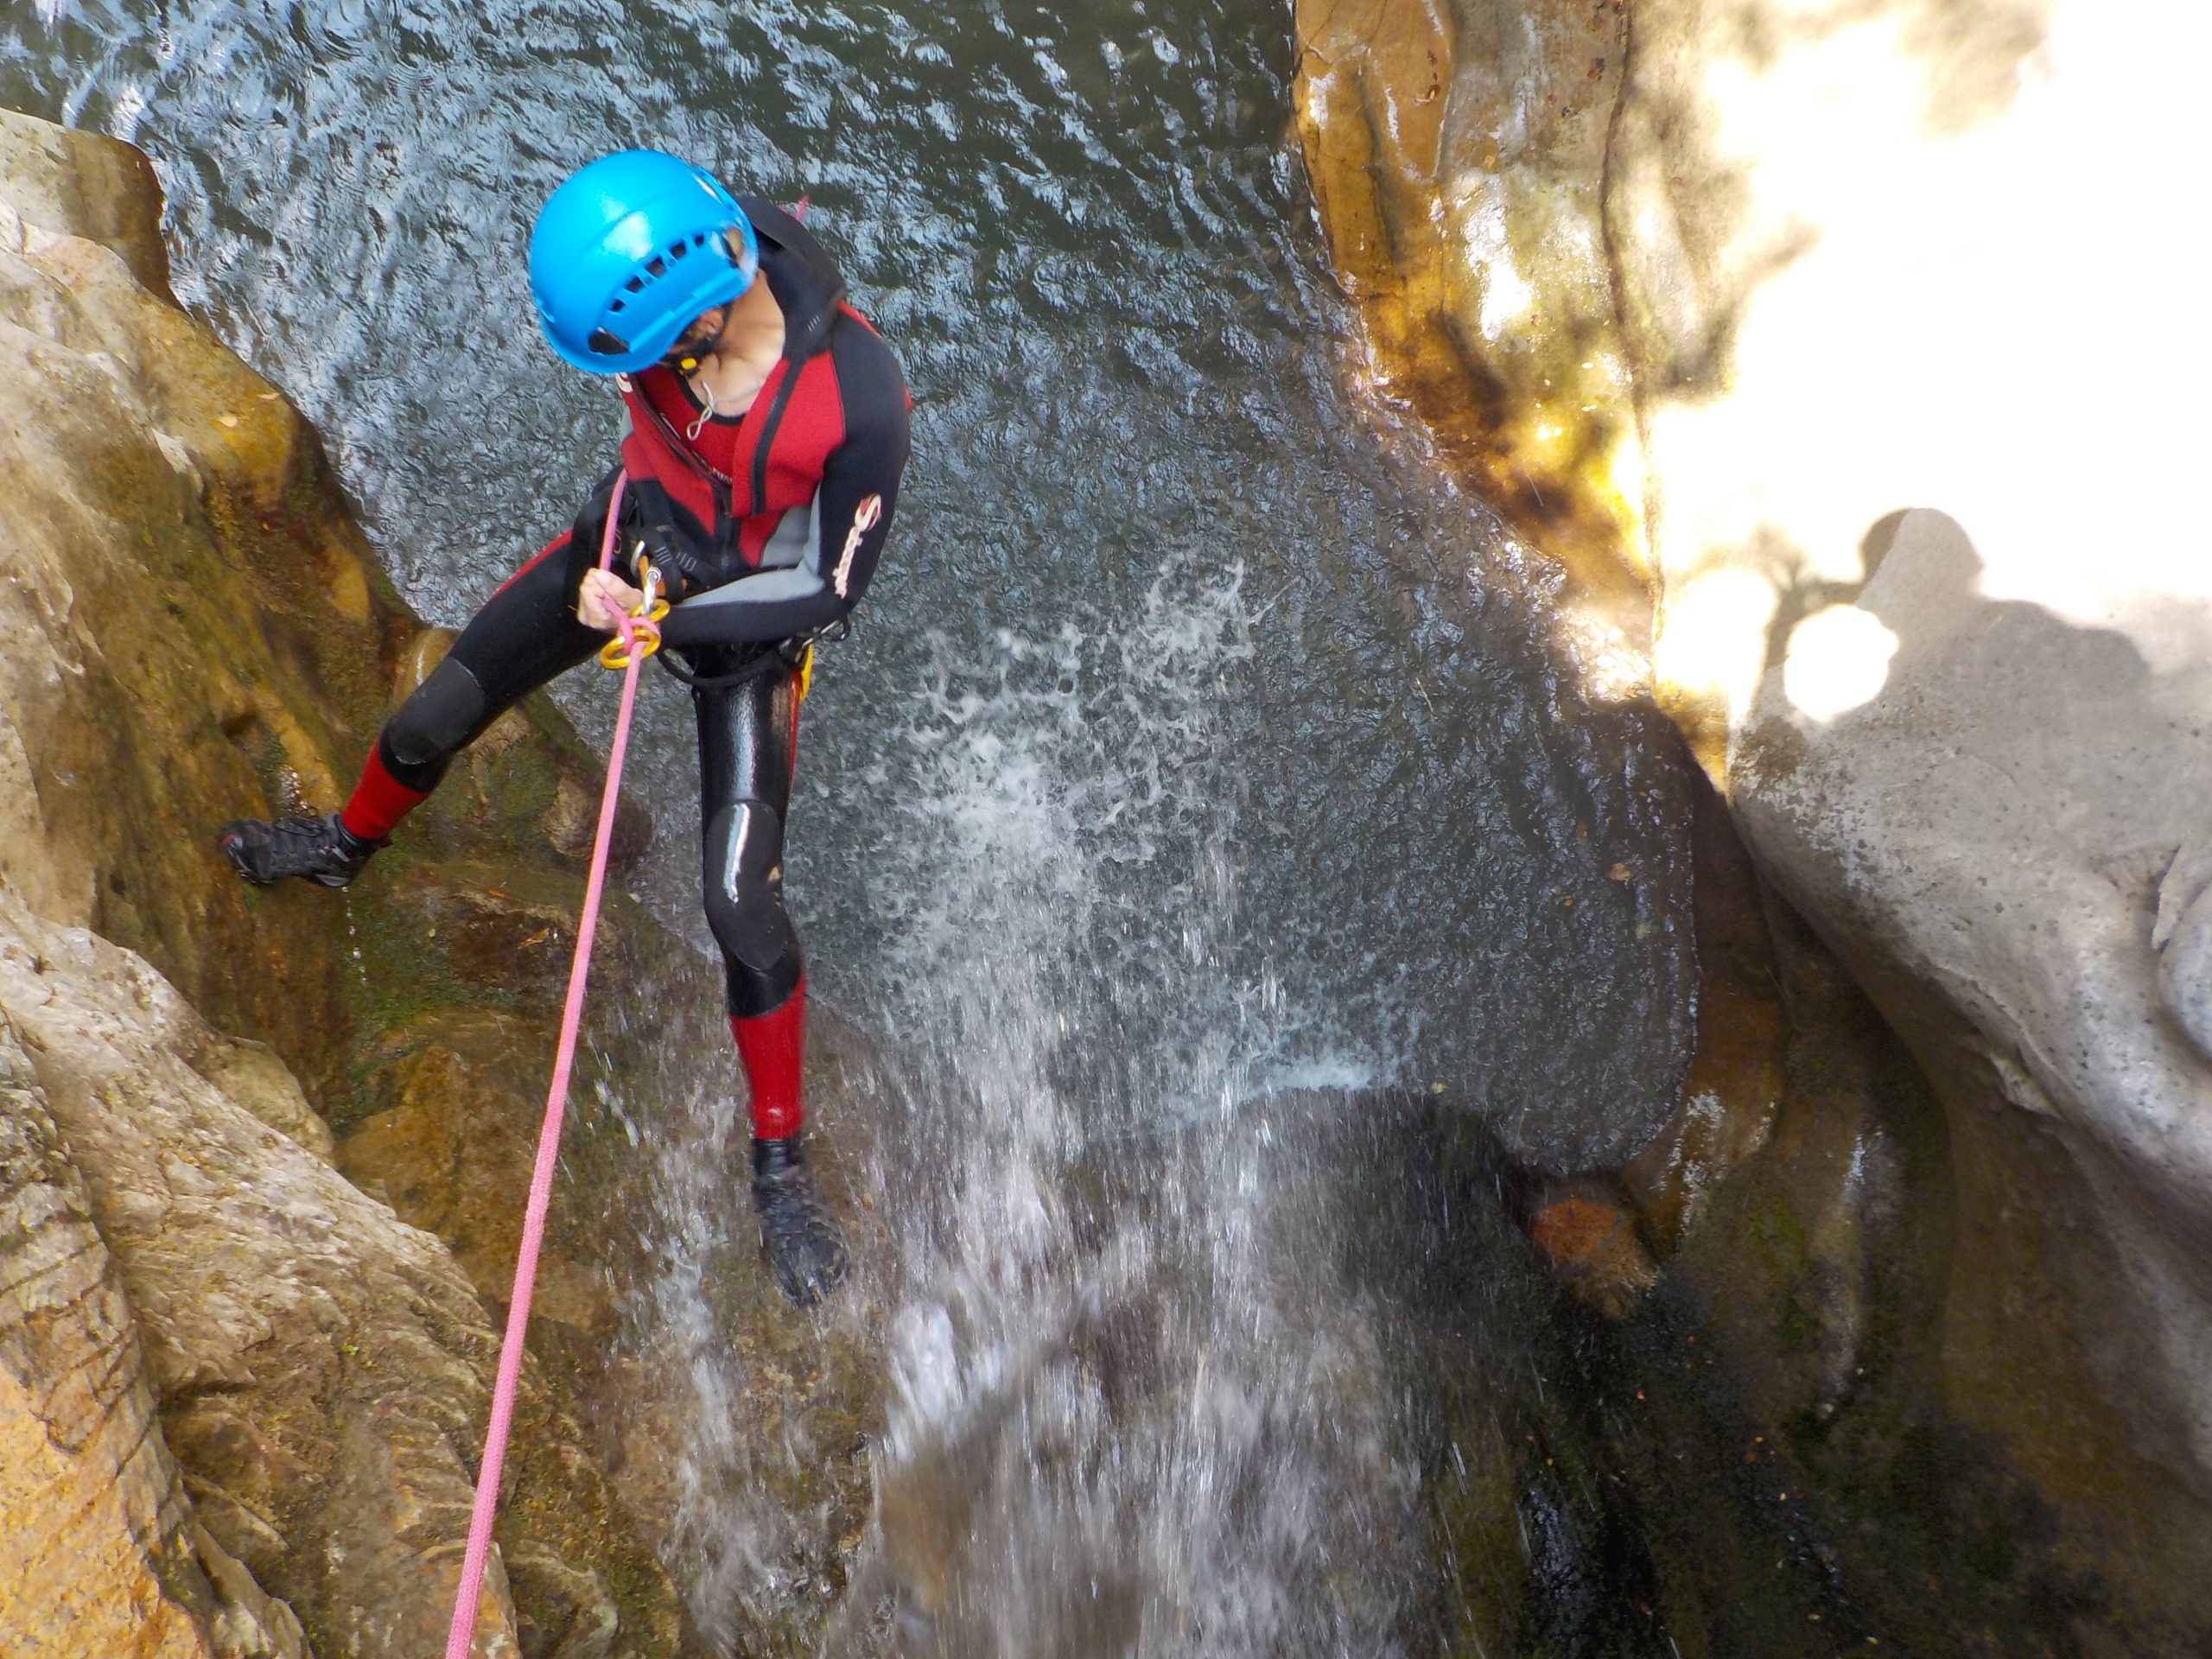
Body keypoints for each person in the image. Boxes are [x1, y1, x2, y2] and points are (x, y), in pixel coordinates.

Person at [219, 149, 911, 1307]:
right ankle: (346, 850)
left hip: (748, 624)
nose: (634, 376)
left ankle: (779, 1161)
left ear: (697, 321)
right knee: (437, 711)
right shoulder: (660, 272)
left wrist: (675, 615)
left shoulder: (858, 395)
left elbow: (829, 585)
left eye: (647, 358)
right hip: (628, 544)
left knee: (739, 904)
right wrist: (613, 578)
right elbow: (649, 442)